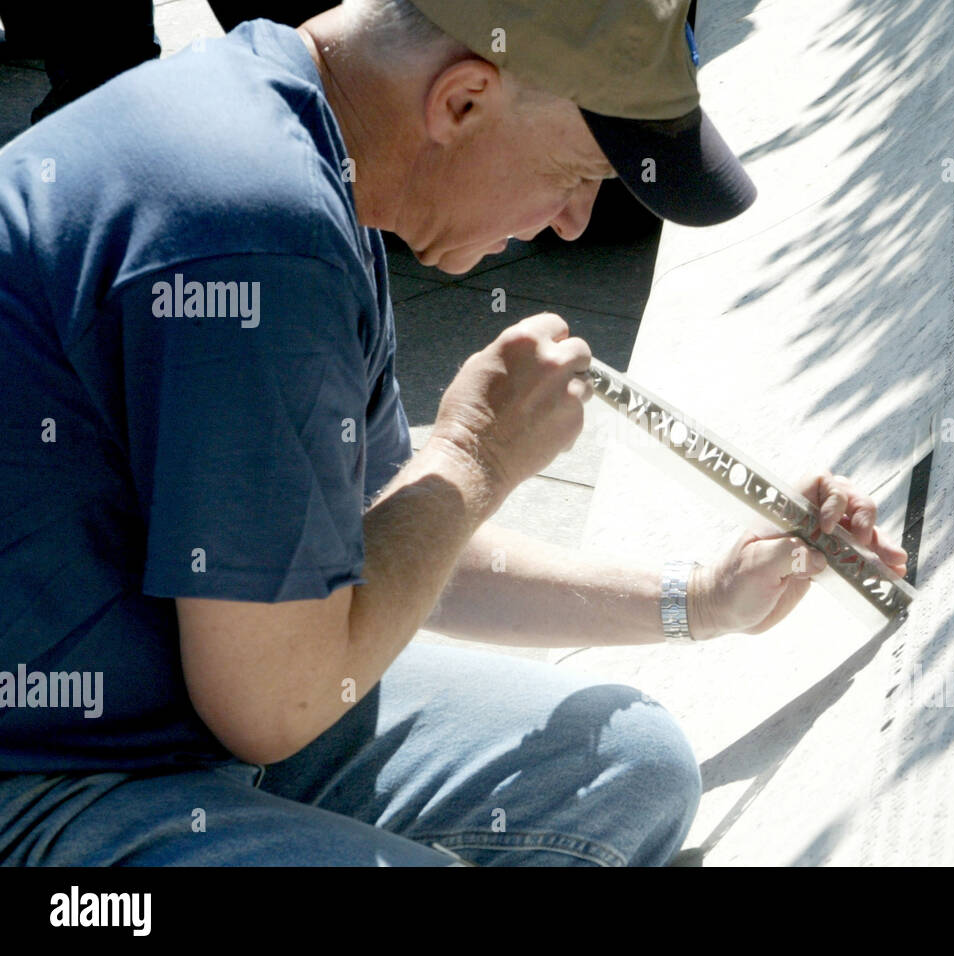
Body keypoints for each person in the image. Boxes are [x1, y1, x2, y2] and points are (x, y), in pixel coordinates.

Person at [0, 0, 908, 866]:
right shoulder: (251, 230)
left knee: (630, 771)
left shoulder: (304, 142)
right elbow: (274, 705)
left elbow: (388, 540)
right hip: (41, 775)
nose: (573, 221)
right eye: (578, 174)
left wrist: (701, 600)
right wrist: (476, 455)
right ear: (463, 100)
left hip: (157, 708)